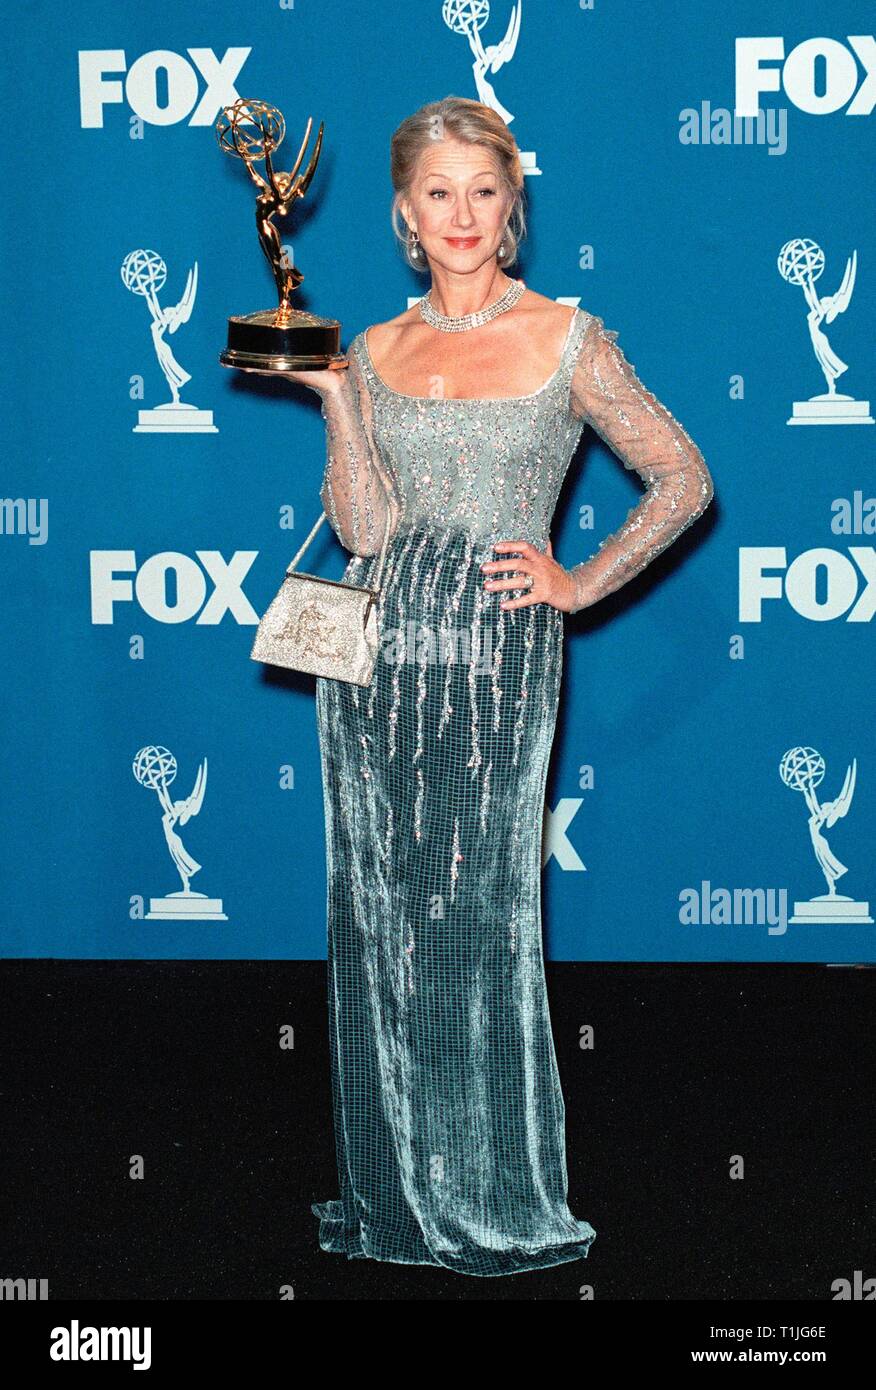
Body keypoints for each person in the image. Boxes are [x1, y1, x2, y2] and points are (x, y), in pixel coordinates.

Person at [273, 96, 714, 1276]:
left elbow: (681, 477)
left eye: (483, 190)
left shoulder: (568, 336)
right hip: (373, 666)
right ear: (405, 214)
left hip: (498, 656)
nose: (461, 215)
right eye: (437, 194)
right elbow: (364, 528)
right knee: (375, 923)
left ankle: (487, 1194)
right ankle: (393, 1196)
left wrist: (578, 581)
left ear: (511, 203)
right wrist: (332, 403)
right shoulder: (371, 349)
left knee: (475, 925)